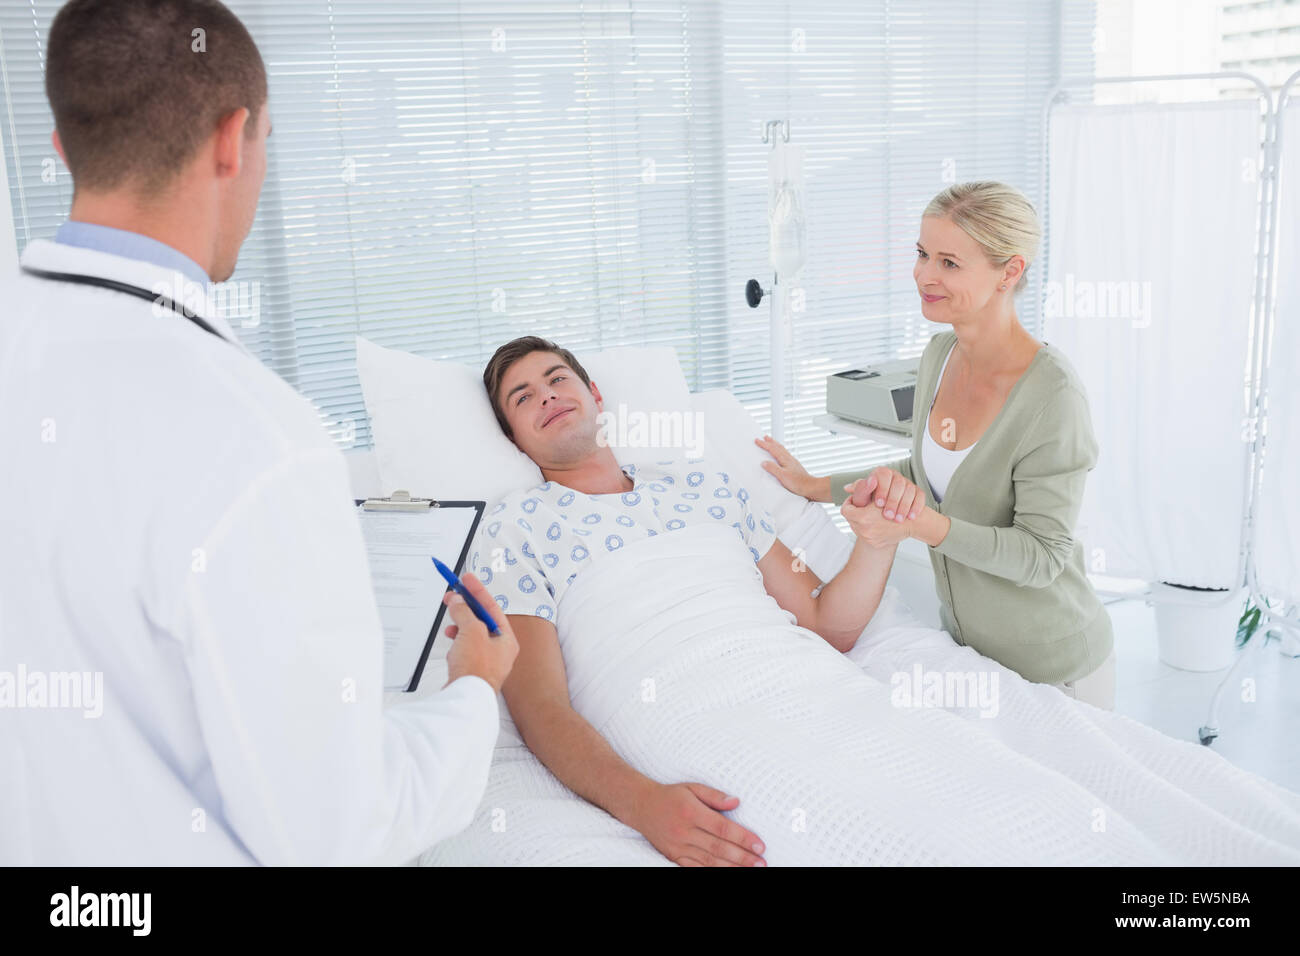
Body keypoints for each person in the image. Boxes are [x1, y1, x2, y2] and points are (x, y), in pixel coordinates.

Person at [450, 334, 1300, 868]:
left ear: (597, 396)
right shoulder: (516, 531)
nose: (546, 396)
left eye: (556, 377)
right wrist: (644, 803)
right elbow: (543, 709)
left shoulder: (707, 487)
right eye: (522, 398)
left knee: (1023, 802)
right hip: (684, 709)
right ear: (514, 437)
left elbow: (826, 625)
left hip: (801, 682)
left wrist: (873, 543)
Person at [0, 0, 516, 866]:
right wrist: (473, 695)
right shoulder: (257, 442)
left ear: (61, 148)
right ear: (234, 140)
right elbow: (337, 833)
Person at [757, 181, 1116, 709]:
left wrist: (919, 525)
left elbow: (1042, 557)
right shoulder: (940, 354)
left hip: (1054, 668)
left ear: (1009, 272)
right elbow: (928, 472)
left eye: (949, 263)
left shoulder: (1052, 396)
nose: (924, 275)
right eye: (922, 254)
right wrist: (814, 486)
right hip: (970, 654)